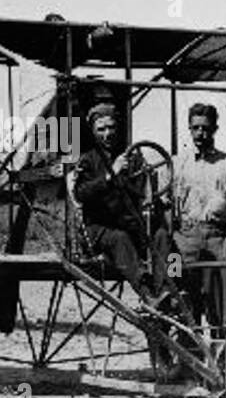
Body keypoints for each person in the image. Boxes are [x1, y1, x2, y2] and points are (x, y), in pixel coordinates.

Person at [72, 102, 173, 305]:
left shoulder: (132, 159)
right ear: (93, 132)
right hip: (99, 230)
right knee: (120, 239)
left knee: (164, 236)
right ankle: (147, 294)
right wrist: (111, 175)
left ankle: (169, 288)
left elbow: (141, 193)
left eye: (111, 128)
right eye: (101, 129)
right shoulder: (87, 161)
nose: (107, 134)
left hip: (129, 225)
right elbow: (81, 194)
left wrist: (150, 184)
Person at [173, 102, 226, 336]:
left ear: (215, 129)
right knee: (183, 302)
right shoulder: (177, 164)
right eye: (196, 128)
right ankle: (188, 362)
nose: (201, 133)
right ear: (189, 128)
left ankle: (225, 361)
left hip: (219, 240)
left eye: (206, 128)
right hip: (183, 241)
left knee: (225, 310)